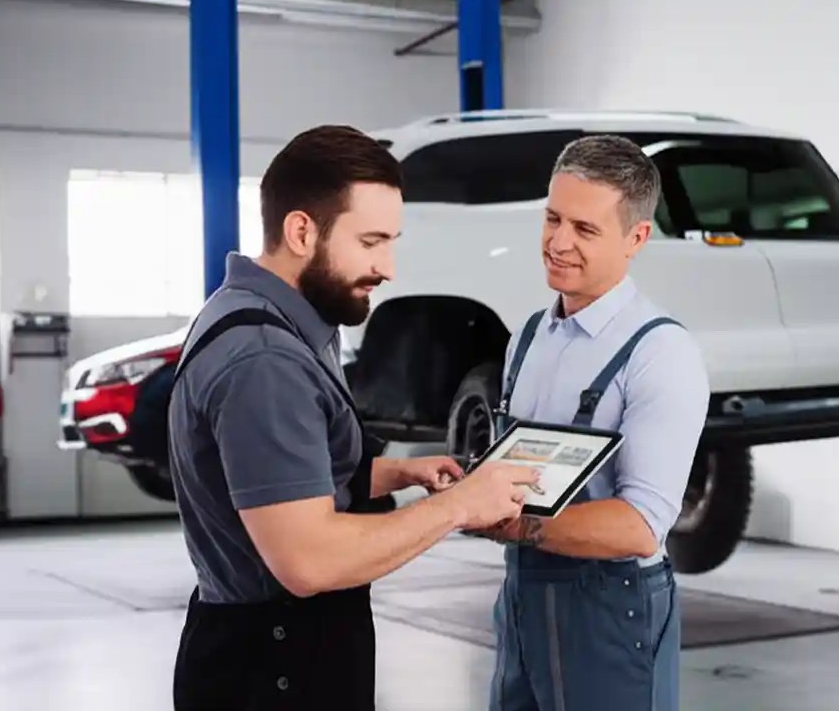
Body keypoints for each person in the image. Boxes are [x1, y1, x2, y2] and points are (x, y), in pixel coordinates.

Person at [167, 125, 538, 711]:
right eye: (370, 241)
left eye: (391, 241)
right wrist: (461, 506)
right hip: (274, 669)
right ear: (300, 231)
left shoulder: (278, 318)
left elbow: (273, 476)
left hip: (274, 652)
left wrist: (396, 474)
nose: (388, 267)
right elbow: (309, 559)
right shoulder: (266, 359)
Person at [474, 135, 710, 711]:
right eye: (552, 218)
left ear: (636, 238)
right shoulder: (527, 338)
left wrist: (506, 524)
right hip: (523, 595)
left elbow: (640, 526)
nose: (557, 242)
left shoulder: (660, 353)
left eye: (584, 229)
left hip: (612, 609)